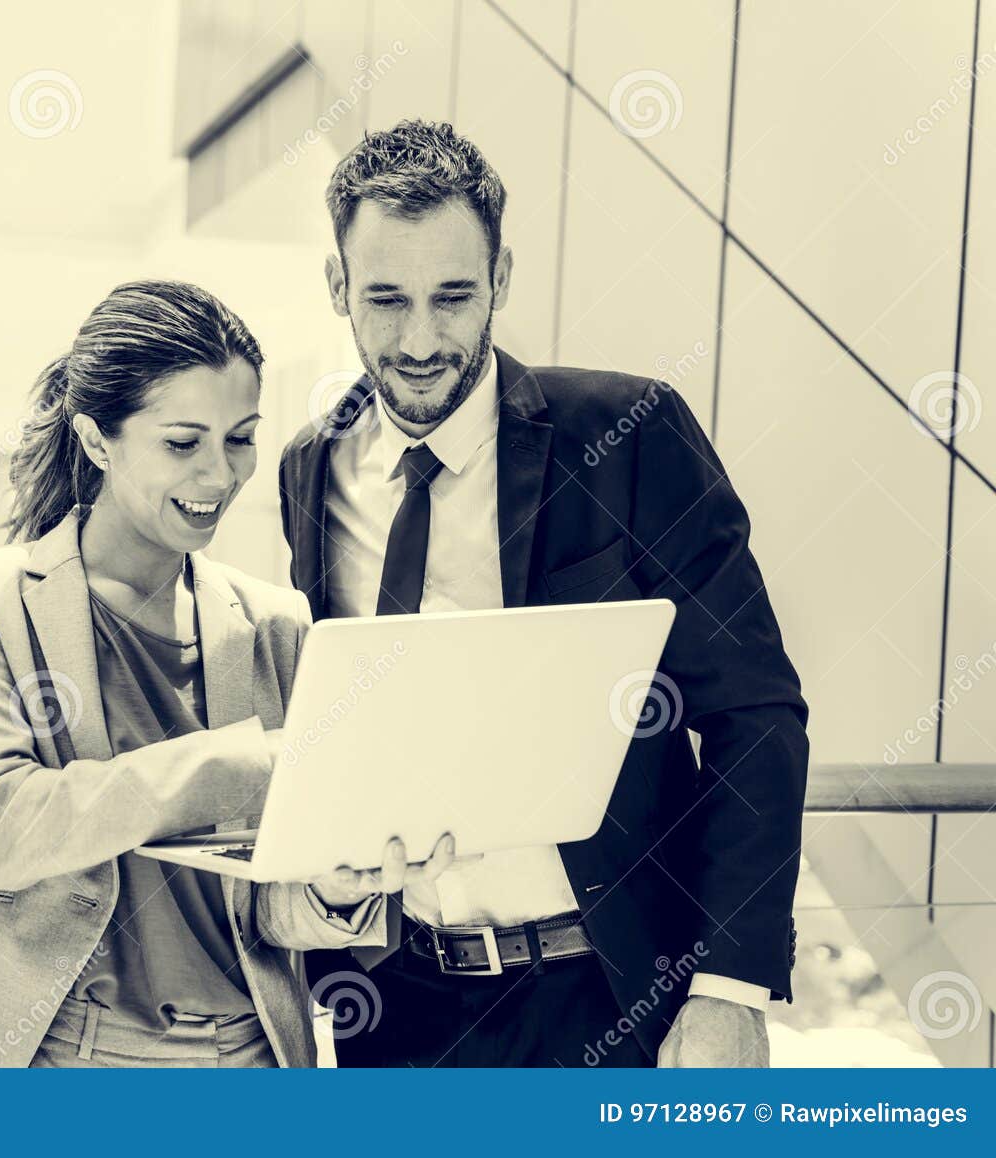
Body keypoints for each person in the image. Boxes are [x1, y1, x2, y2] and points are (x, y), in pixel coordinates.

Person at [281, 121, 809, 1068]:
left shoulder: (628, 434)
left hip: (606, 998)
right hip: (400, 1011)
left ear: (503, 278)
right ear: (336, 289)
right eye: (384, 299)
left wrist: (730, 990)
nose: (420, 340)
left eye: (454, 297)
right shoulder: (310, 472)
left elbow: (756, 713)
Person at [0, 279, 427, 1068]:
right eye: (182, 442)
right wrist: (240, 763)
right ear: (98, 440)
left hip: (248, 1055)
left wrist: (336, 891)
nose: (219, 475)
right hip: (57, 1052)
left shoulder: (277, 623)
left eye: (240, 438)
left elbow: (267, 904)